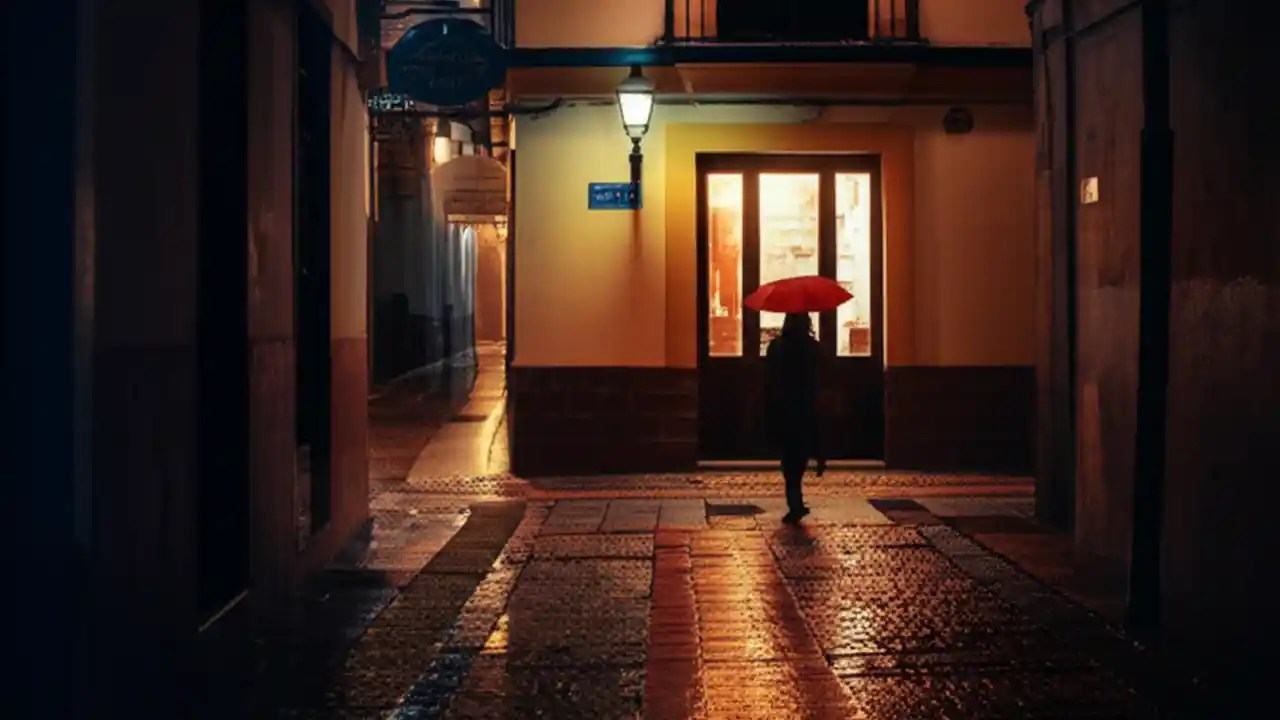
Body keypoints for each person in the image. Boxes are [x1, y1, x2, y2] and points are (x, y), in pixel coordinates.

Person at [764, 312, 826, 524]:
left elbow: (768, 376)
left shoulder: (776, 347)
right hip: (806, 406)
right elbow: (823, 376)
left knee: (788, 455)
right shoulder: (813, 348)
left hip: (783, 407)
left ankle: (794, 499)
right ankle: (797, 497)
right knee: (800, 452)